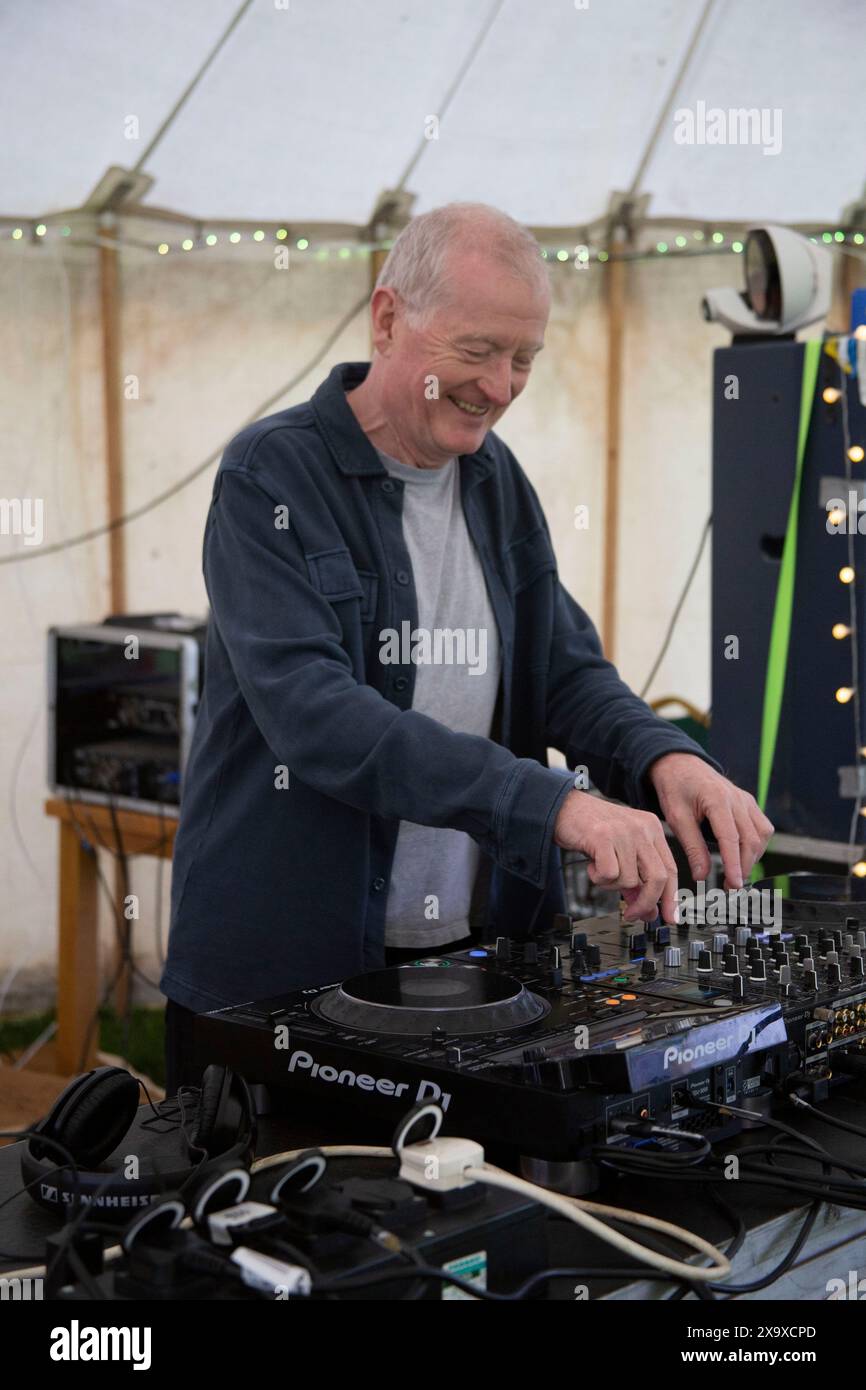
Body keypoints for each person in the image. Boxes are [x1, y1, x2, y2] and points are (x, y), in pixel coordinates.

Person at [160, 202, 772, 1092]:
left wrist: (665, 755)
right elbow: (320, 718)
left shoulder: (496, 480)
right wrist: (553, 803)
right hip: (281, 978)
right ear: (387, 318)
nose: (503, 385)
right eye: (478, 350)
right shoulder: (270, 476)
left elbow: (562, 667)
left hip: (474, 964)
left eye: (525, 357)